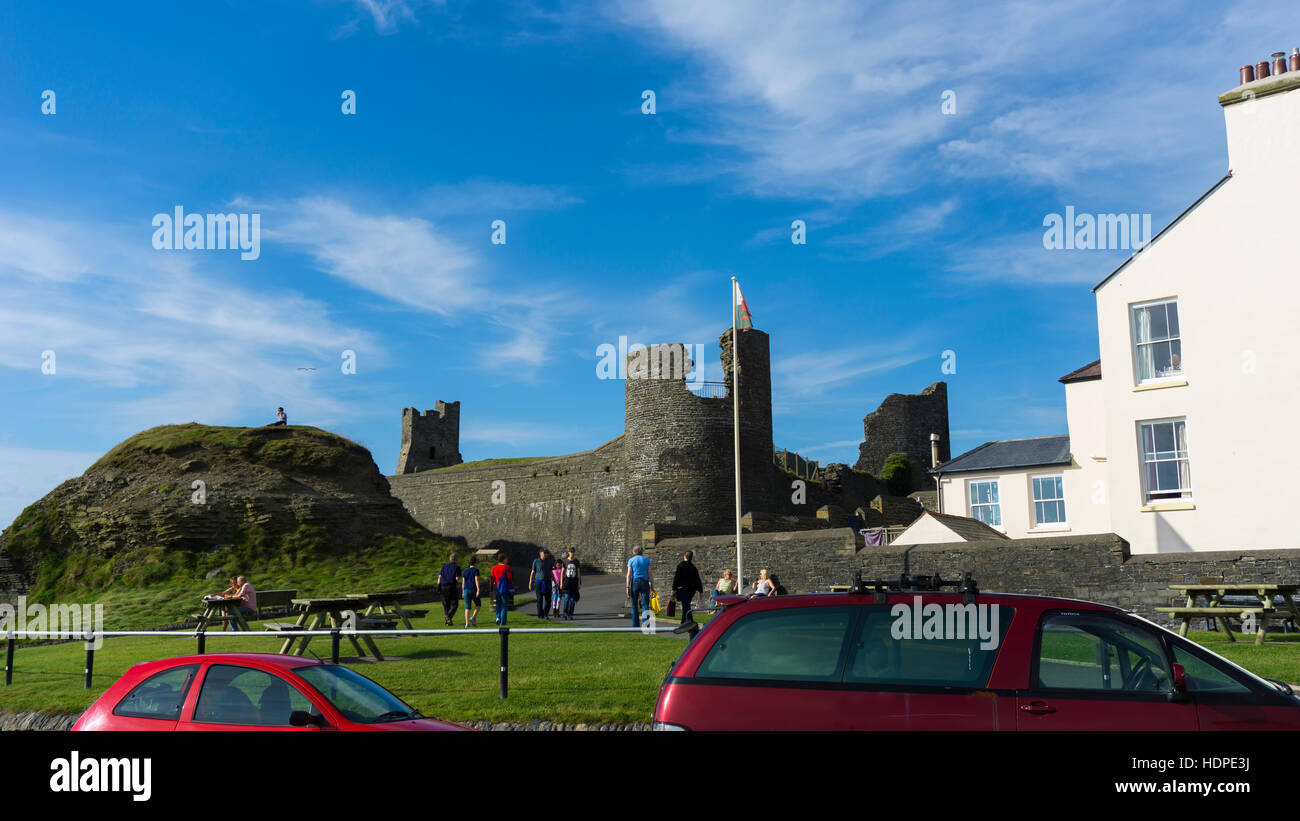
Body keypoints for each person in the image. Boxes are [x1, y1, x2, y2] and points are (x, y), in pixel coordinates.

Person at [671, 550, 704, 624]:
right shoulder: (693, 567)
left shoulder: (681, 566)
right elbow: (697, 579)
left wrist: (673, 589)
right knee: (686, 605)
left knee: (686, 606)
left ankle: (689, 622)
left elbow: (677, 578)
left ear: (685, 556)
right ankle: (685, 621)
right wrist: (700, 591)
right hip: (691, 589)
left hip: (683, 588)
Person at [626, 545, 654, 628]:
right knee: (645, 604)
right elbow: (650, 574)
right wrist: (652, 586)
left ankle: (635, 625)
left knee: (634, 604)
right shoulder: (646, 560)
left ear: (634, 551)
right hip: (645, 582)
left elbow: (629, 575)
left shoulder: (631, 560)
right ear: (642, 551)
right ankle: (646, 625)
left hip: (635, 582)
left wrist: (627, 587)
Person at [529, 549, 555, 620]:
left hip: (547, 582)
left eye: (547, 553)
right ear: (540, 553)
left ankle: (545, 614)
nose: (546, 554)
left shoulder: (549, 561)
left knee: (548, 600)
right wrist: (530, 583)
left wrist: (554, 581)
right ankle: (540, 615)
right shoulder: (536, 561)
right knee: (539, 599)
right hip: (539, 583)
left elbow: (551, 572)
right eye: (544, 553)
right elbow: (532, 572)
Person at [490, 552, 514, 626]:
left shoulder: (494, 567)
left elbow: (492, 579)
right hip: (503, 588)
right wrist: (512, 585)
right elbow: (509, 578)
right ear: (503, 559)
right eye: (506, 559)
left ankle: (497, 617)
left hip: (496, 587)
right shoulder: (506, 567)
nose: (507, 560)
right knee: (504, 605)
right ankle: (502, 622)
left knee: (498, 604)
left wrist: (491, 589)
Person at [438, 554, 462, 626]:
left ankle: (448, 622)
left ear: (450, 559)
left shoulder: (444, 566)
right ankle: (448, 616)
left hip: (443, 586)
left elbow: (439, 577)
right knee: (454, 604)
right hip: (451, 587)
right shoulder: (457, 567)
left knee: (446, 604)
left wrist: (438, 586)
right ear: (455, 560)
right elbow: (457, 578)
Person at [559, 550, 581, 620]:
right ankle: (565, 613)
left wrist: (579, 583)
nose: (572, 553)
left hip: (574, 583)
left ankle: (570, 614)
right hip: (566, 583)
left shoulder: (576, 561)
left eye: (573, 552)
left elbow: (578, 573)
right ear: (569, 553)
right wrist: (561, 583)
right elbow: (562, 573)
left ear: (574, 552)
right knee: (566, 598)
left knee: (572, 600)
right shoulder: (565, 561)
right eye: (571, 552)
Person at [462, 555, 482, 627]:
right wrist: (478, 590)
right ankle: (473, 617)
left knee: (467, 607)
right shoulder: (476, 570)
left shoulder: (465, 571)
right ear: (475, 563)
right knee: (478, 604)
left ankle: (467, 623)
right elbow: (476, 579)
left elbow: (463, 583)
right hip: (473, 589)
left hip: (466, 590)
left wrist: (462, 592)